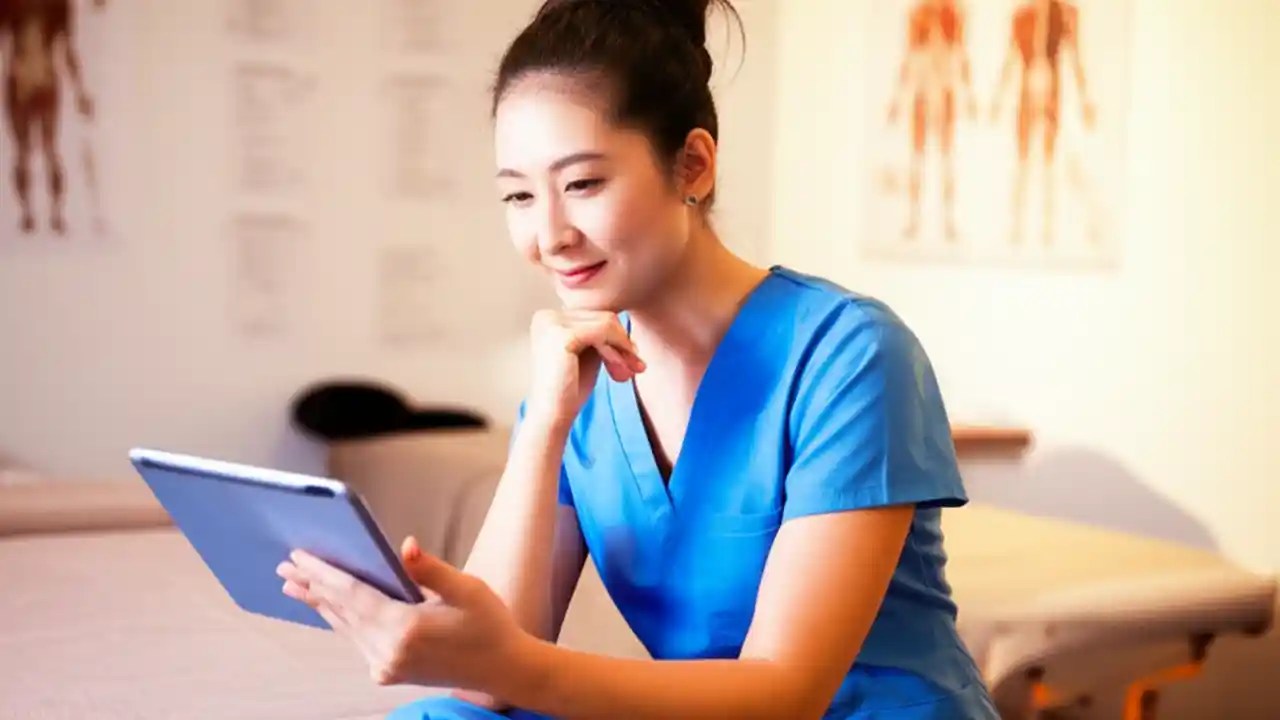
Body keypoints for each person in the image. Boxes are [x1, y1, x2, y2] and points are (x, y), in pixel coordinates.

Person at [277, 1, 998, 717]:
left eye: (583, 184)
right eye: (519, 196)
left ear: (693, 164)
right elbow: (488, 684)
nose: (549, 234)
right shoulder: (578, 372)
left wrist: (510, 661)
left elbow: (786, 695)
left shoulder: (850, 355)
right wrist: (543, 425)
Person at [990, 0, 1095, 245]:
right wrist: (998, 99)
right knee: (1023, 160)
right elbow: (1011, 59)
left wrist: (1084, 101)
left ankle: (1047, 228)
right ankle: (1017, 225)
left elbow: (1075, 58)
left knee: (1048, 161)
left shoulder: (1066, 14)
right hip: (1027, 91)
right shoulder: (1022, 16)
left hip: (1051, 93)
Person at [885, 0, 978, 242]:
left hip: (944, 87)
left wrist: (969, 96)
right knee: (918, 157)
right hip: (923, 88)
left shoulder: (955, 13)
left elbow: (960, 53)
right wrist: (897, 99)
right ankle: (914, 219)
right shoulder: (919, 14)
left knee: (946, 158)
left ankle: (949, 221)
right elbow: (909, 55)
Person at [2, 0, 94, 235]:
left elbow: (67, 47)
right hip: (27, 80)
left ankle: (46, 212)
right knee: (28, 150)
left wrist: (80, 90)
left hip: (34, 80)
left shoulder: (56, 5)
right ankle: (34, 212)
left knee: (44, 148)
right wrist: (79, 90)